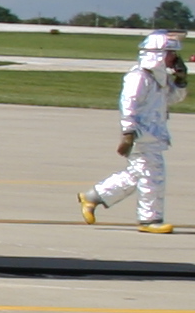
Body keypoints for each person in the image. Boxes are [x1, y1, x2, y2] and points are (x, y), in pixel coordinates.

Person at [79, 30, 187, 234]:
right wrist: (128, 133)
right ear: (157, 53)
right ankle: (150, 220)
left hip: (154, 135)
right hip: (141, 135)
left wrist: (181, 80)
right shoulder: (138, 77)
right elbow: (128, 105)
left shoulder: (159, 78)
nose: (175, 58)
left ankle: (93, 196)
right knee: (152, 177)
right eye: (171, 53)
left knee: (138, 174)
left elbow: (172, 99)